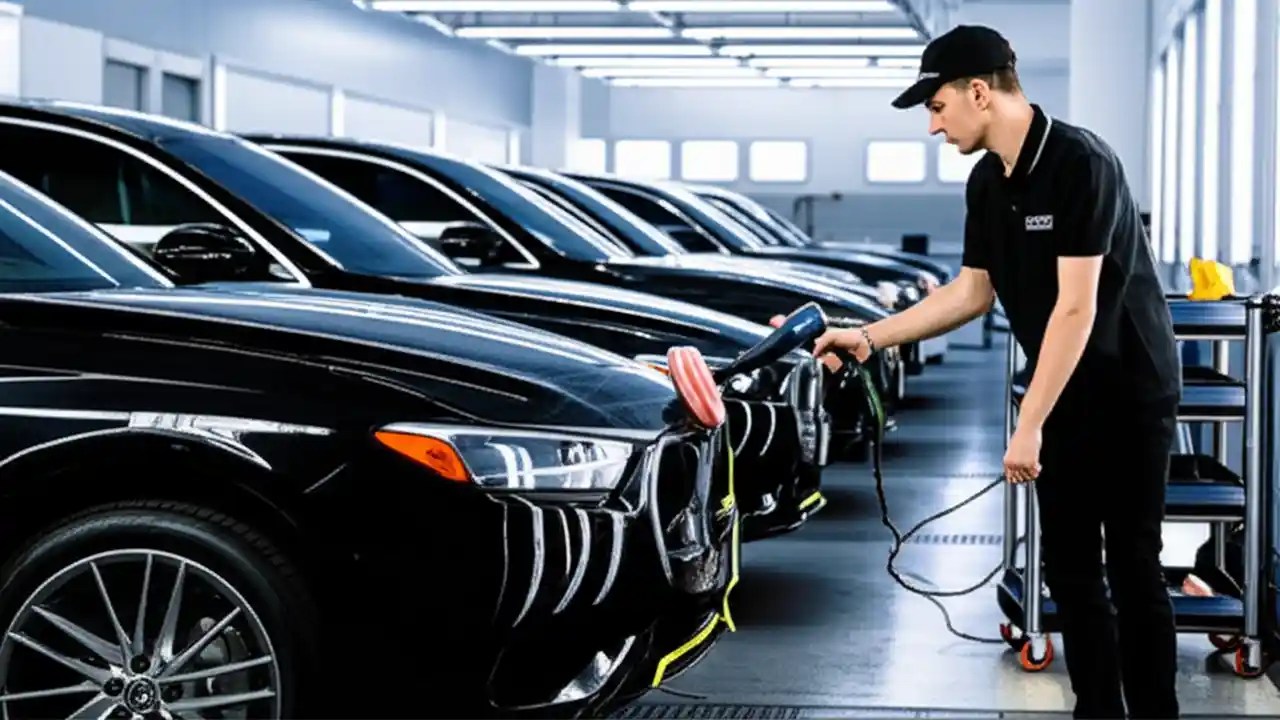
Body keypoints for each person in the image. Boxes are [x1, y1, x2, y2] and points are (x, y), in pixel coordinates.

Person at [780, 24, 1183, 720]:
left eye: (937, 108)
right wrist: (870, 337)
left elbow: (1075, 311)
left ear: (978, 92)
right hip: (1062, 390)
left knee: (1134, 569)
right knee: (1073, 572)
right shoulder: (987, 183)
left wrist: (1029, 426)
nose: (933, 126)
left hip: (1128, 390)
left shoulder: (1082, 163)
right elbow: (972, 292)